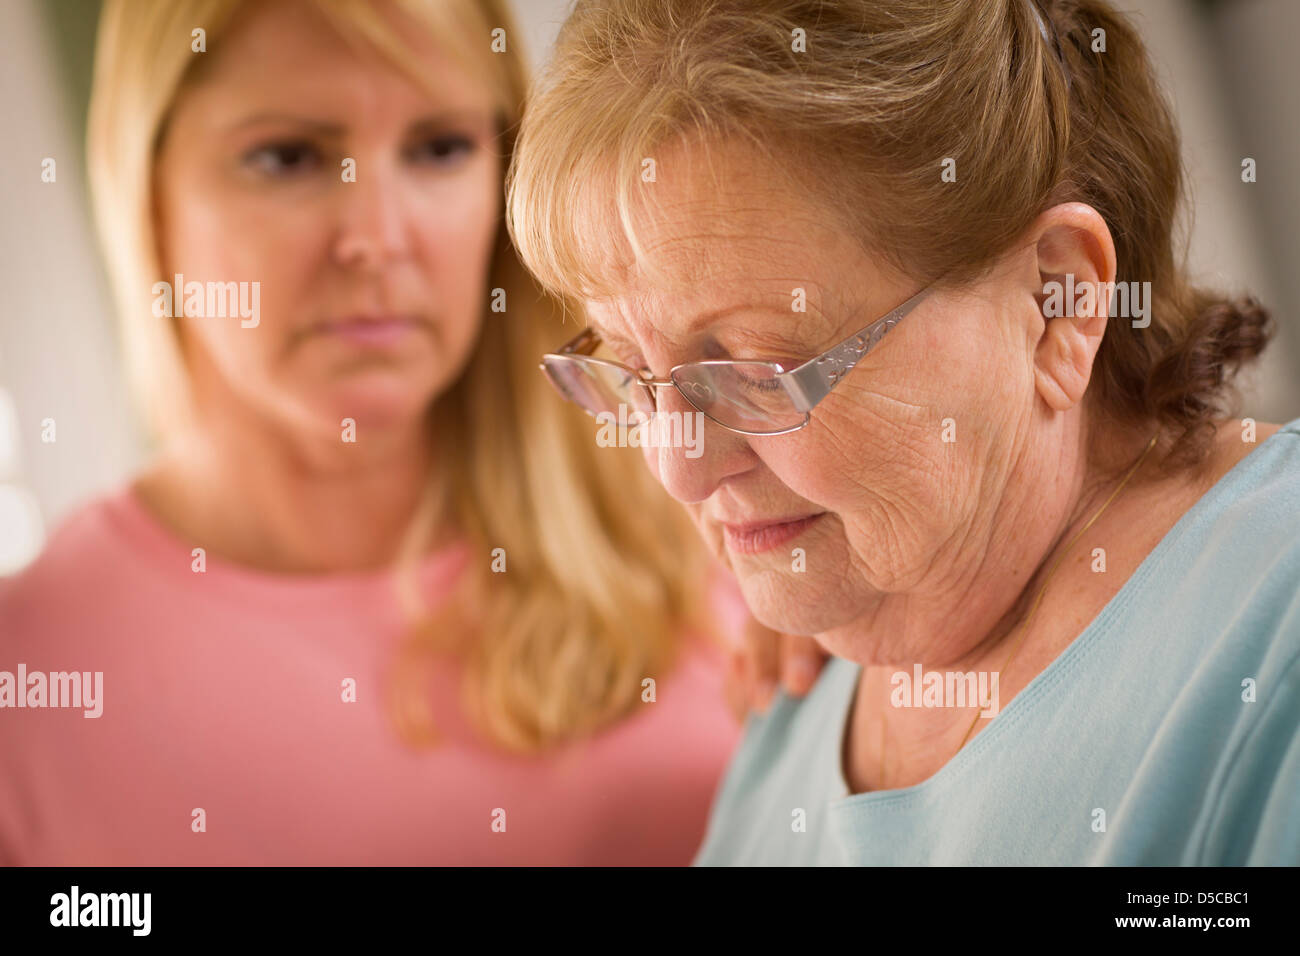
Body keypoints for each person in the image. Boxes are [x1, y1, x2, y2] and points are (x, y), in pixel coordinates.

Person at [0, 0, 801, 866]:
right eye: (288, 157)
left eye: (439, 148)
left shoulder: (728, 506)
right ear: (146, 193)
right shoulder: (30, 682)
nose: (377, 240)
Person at [507, 0, 1300, 864]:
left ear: (1054, 304)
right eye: (631, 369)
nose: (677, 472)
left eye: (755, 373)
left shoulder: (1271, 633)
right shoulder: (803, 684)